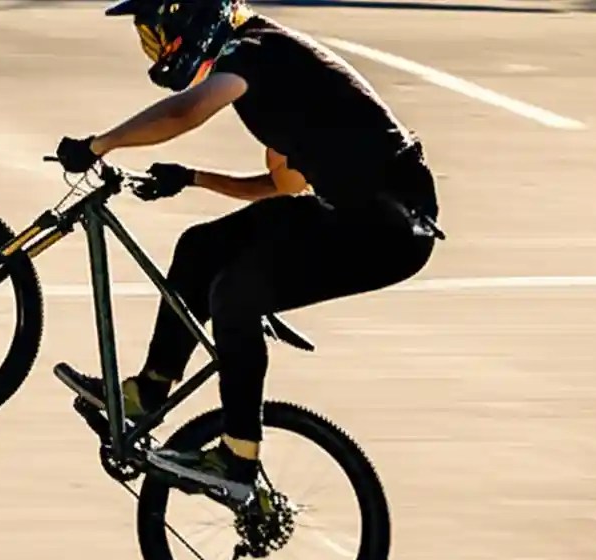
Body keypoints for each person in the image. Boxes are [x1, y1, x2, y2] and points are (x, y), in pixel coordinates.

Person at [52, 0, 444, 504]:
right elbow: (283, 183)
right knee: (199, 248)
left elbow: (184, 111)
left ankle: (239, 456)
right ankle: (147, 391)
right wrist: (192, 178)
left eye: (157, 33)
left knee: (234, 295)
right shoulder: (271, 78)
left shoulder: (254, 51)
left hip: (388, 228)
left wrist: (99, 145)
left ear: (188, 18)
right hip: (348, 213)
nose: (154, 48)